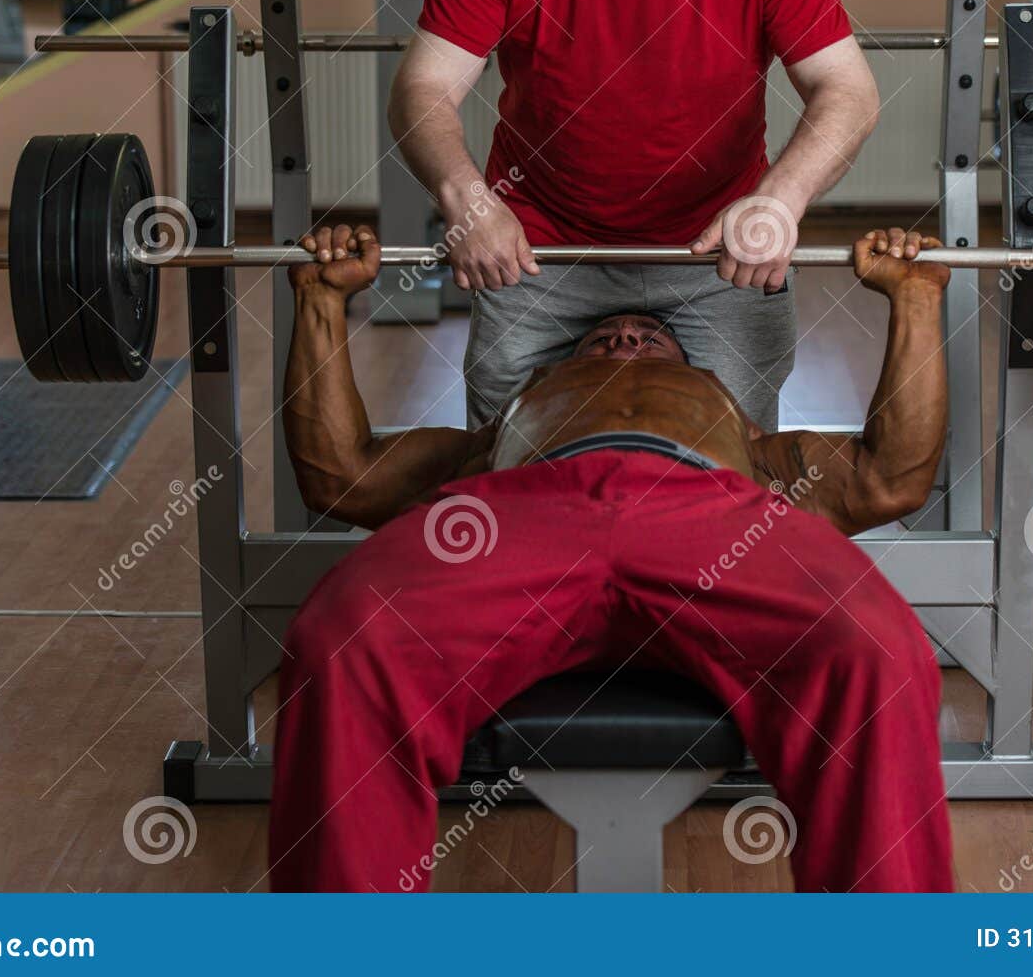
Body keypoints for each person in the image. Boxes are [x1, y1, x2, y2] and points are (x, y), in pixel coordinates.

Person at [267, 225, 954, 893]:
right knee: (343, 642)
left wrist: (917, 300)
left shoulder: (749, 440)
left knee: (876, 649)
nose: (625, 334)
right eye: (602, 338)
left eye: (652, 339)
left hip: (708, 510)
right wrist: (321, 302)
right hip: (522, 508)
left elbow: (892, 478)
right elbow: (340, 476)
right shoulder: (503, 425)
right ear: (548, 370)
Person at [388, 0, 880, 433]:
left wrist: (782, 200)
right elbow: (423, 88)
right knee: (506, 468)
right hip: (536, 250)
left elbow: (848, 91)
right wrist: (467, 199)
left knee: (735, 473)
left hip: (717, 255)